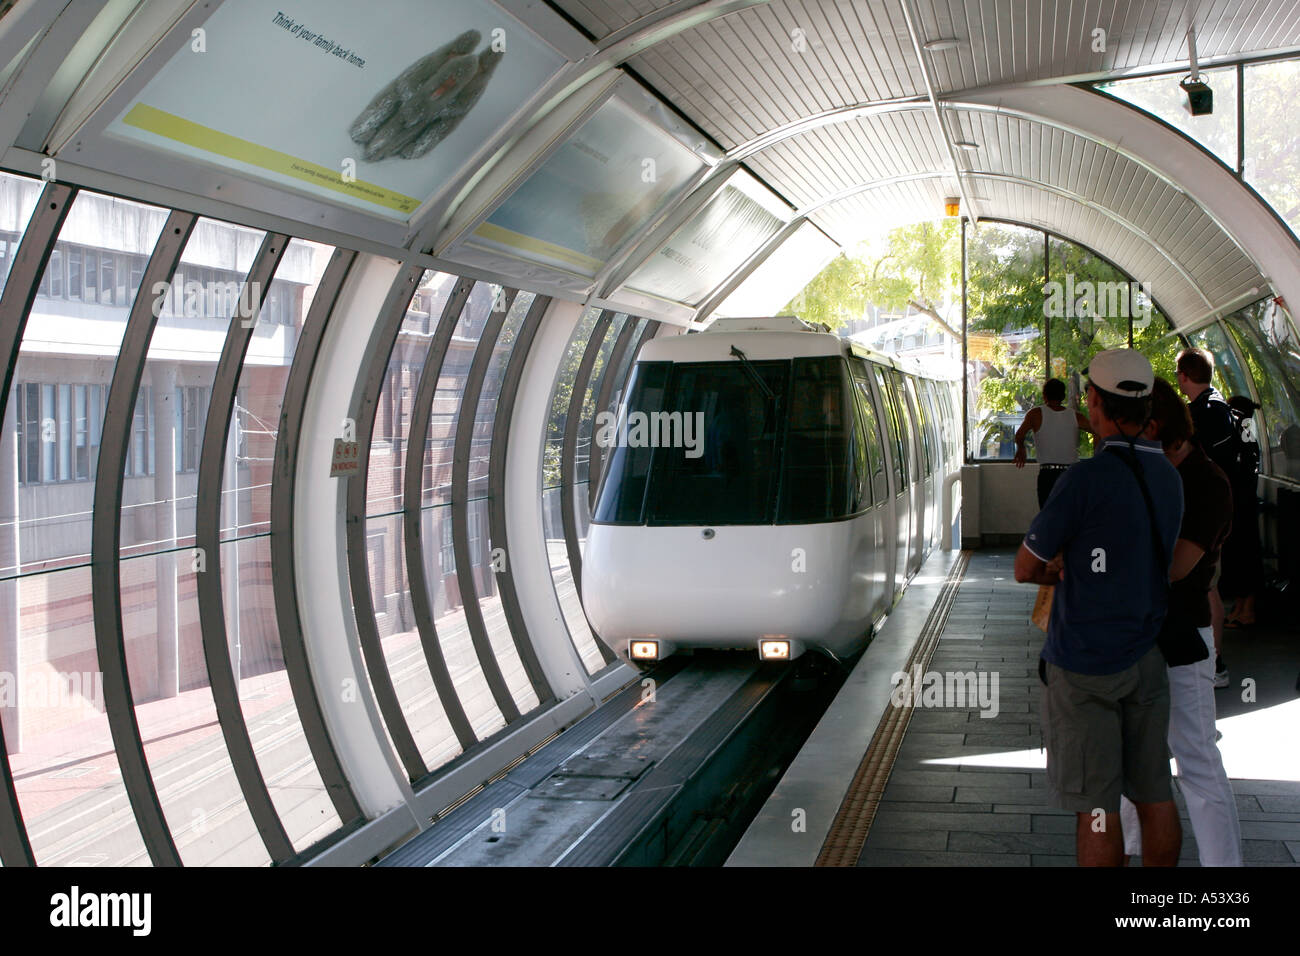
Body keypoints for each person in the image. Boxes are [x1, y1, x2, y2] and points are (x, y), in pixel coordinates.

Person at [1014, 349, 1183, 866]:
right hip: (1147, 658)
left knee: (1096, 808)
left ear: (1095, 402)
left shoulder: (1086, 480)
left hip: (1085, 662)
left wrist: (1057, 567)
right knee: (1155, 794)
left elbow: (1025, 566)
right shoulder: (1170, 479)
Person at [1118, 378, 1243, 866]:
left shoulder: (1206, 481)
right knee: (1135, 755)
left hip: (1182, 637)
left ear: (1156, 427)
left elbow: (1176, 567)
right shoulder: (1146, 471)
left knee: (1195, 757)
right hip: (1137, 634)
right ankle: (1127, 852)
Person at [1175, 348, 1235, 687]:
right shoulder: (1218, 407)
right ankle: (1213, 662)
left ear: (1184, 376)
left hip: (1204, 512)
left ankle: (1215, 663)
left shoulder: (1202, 414)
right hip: (1215, 510)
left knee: (1207, 587)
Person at [1013, 378, 1094, 507]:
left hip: (1047, 474)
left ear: (1044, 395)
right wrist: (1097, 455)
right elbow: (1097, 431)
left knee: (1048, 516)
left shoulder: (1035, 414)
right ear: (1063, 396)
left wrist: (1021, 449)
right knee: (1070, 517)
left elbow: (1019, 435)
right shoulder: (1076, 416)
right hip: (1070, 474)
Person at [1221, 396, 1263, 628]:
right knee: (1240, 554)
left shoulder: (1246, 429)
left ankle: (1247, 609)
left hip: (1243, 503)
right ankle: (1240, 606)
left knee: (1246, 555)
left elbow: (1248, 462)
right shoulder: (1244, 431)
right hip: (1242, 501)